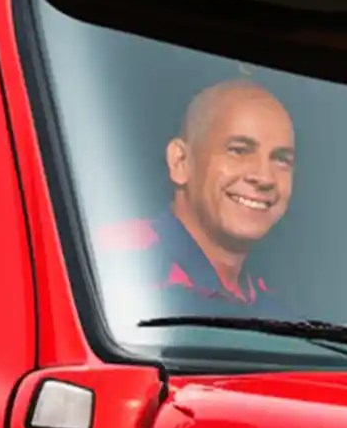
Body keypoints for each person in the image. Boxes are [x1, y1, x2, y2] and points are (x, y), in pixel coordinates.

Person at [96, 79, 295, 319]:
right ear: (181, 162)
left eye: (281, 159)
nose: (264, 177)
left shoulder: (277, 316)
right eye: (239, 150)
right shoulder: (111, 262)